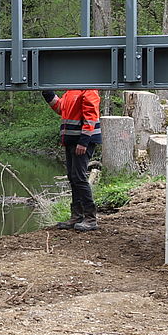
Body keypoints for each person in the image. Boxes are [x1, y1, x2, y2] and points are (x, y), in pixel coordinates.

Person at [42, 87, 101, 231]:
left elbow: (91, 115)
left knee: (79, 177)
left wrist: (84, 141)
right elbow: (61, 108)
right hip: (71, 140)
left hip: (82, 141)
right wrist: (48, 93)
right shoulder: (71, 91)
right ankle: (77, 216)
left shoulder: (89, 90)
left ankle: (90, 218)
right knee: (73, 177)